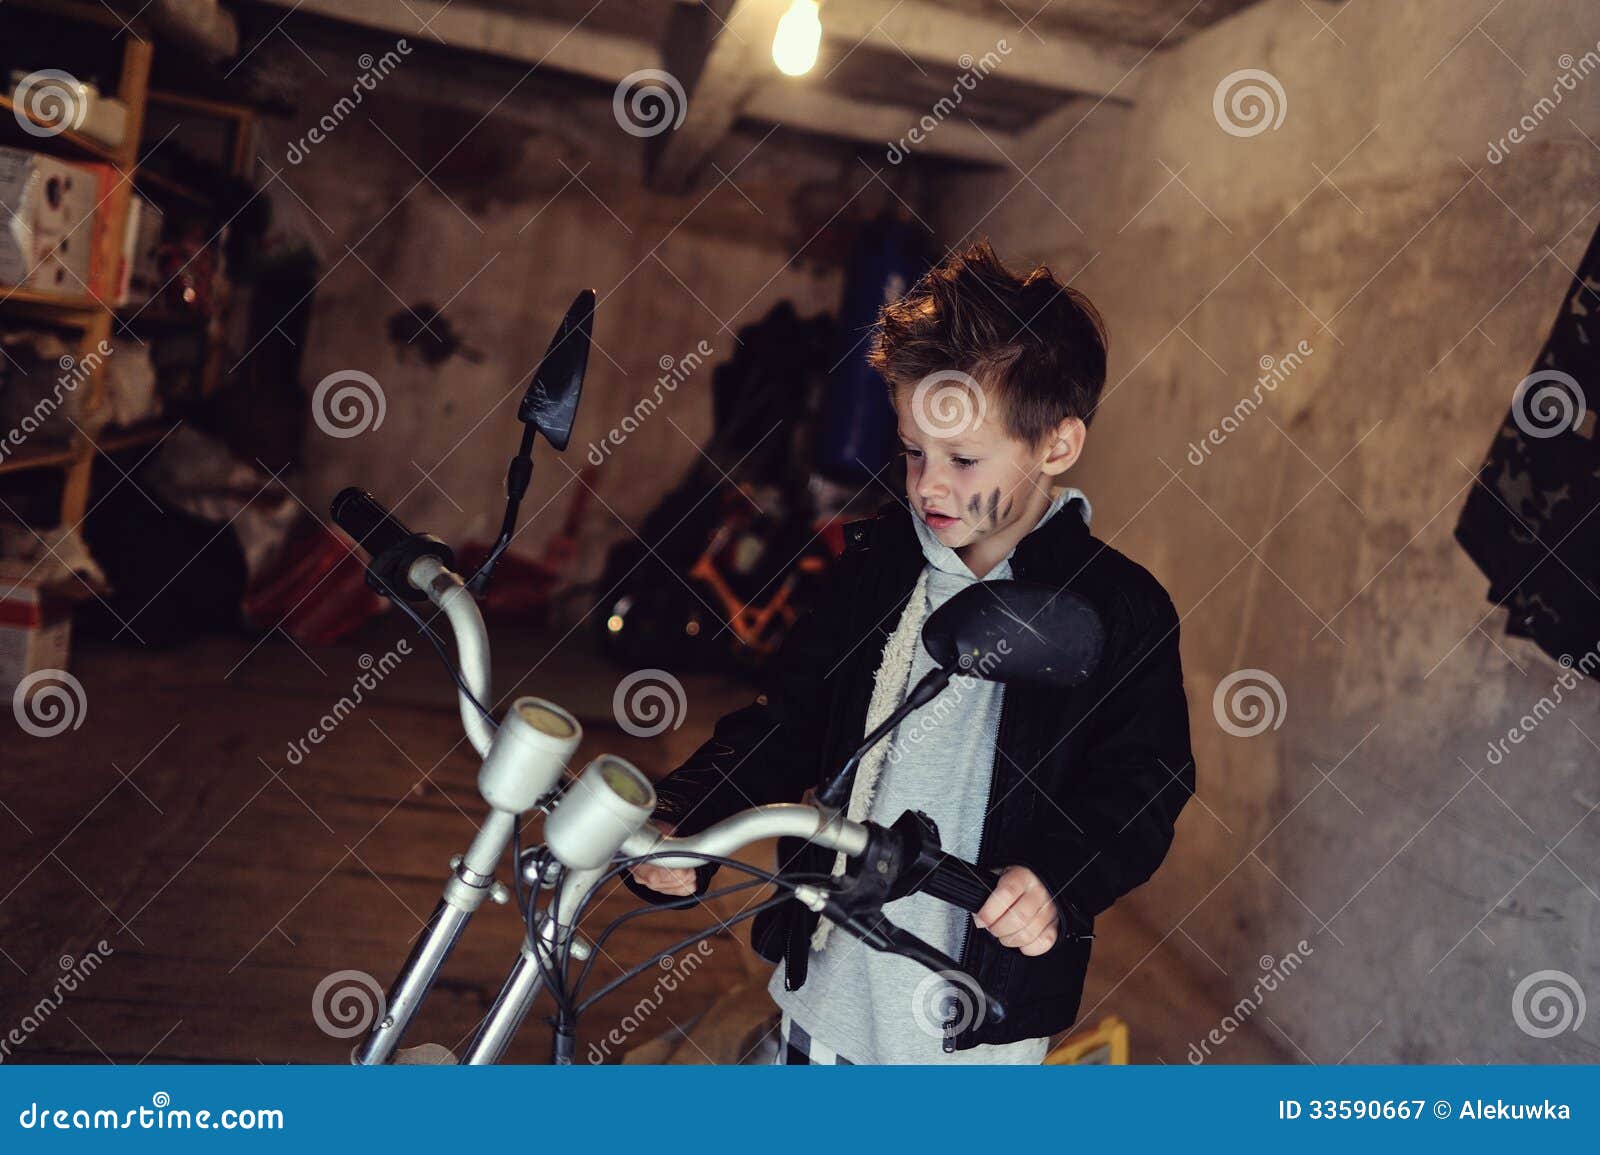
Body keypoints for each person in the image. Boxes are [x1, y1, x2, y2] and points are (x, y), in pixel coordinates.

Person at [624, 239, 1196, 1064]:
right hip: (826, 984)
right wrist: (691, 816)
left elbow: (1144, 783)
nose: (928, 484)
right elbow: (786, 721)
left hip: (972, 1024)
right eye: (913, 451)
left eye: (963, 458)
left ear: (1056, 445)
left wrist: (1057, 877)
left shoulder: (1119, 608)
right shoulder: (873, 567)